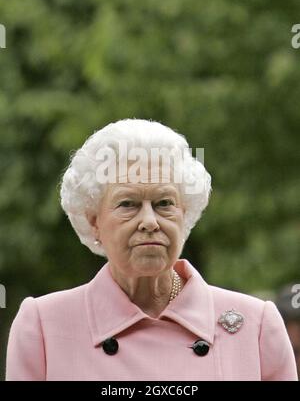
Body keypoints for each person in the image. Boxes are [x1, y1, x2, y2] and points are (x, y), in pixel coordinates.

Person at [5, 118, 298, 381]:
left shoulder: (254, 324)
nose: (149, 221)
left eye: (164, 204)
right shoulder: (44, 325)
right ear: (94, 221)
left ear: (185, 213)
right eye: (128, 204)